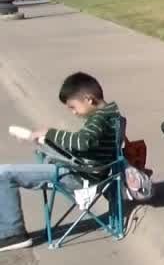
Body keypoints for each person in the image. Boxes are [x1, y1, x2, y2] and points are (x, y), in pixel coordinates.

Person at [0, 73, 124, 251]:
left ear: (89, 99)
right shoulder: (111, 113)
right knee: (22, 163)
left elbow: (83, 141)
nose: (73, 112)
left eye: (73, 107)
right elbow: (87, 144)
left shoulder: (99, 119)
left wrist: (49, 132)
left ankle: (13, 235)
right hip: (85, 171)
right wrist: (49, 142)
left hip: (78, 177)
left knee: (4, 174)